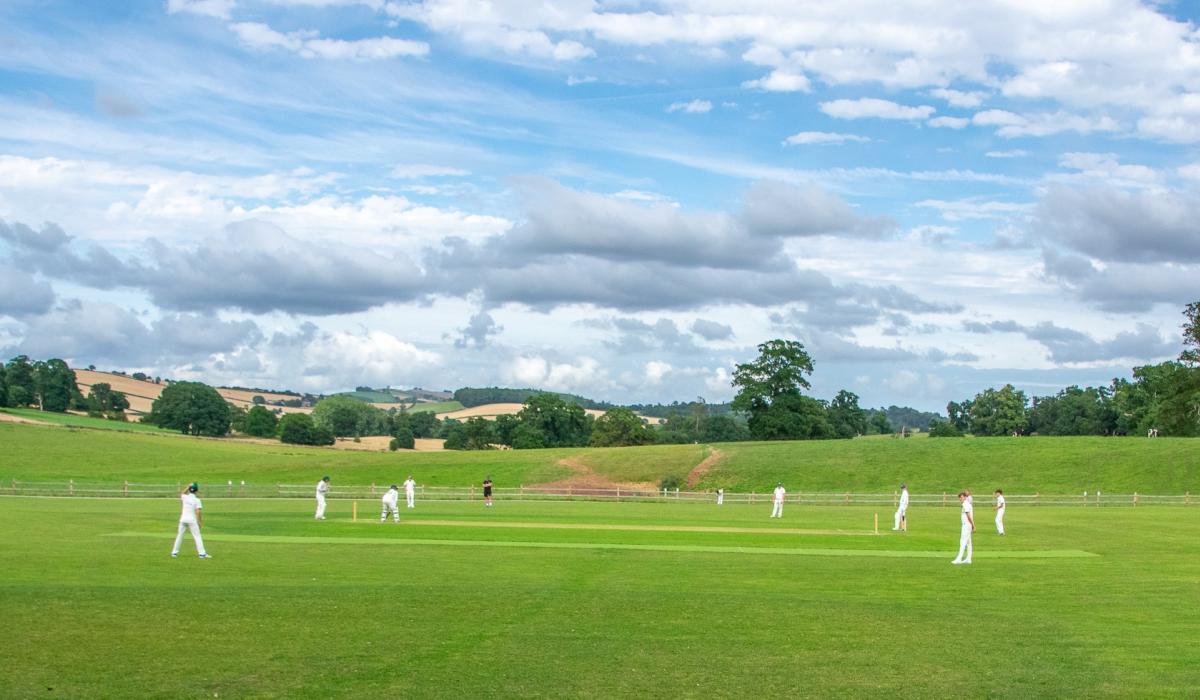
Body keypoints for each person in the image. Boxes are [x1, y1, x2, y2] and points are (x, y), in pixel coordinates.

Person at [171, 483, 210, 559]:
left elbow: (182, 493)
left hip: (183, 519)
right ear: (196, 491)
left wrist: (188, 486)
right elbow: (198, 512)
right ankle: (202, 554)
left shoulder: (185, 497)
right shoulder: (197, 500)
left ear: (189, 490)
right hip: (191, 520)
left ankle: (174, 552)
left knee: (179, 535)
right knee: (197, 536)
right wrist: (200, 522)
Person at [952, 490, 974, 565]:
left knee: (963, 542)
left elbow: (968, 516)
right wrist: (972, 525)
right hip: (967, 525)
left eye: (961, 497)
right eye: (959, 498)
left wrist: (973, 526)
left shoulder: (965, 504)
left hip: (966, 525)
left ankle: (959, 559)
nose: (960, 499)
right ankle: (968, 559)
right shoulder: (966, 504)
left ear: (965, 497)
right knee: (968, 543)